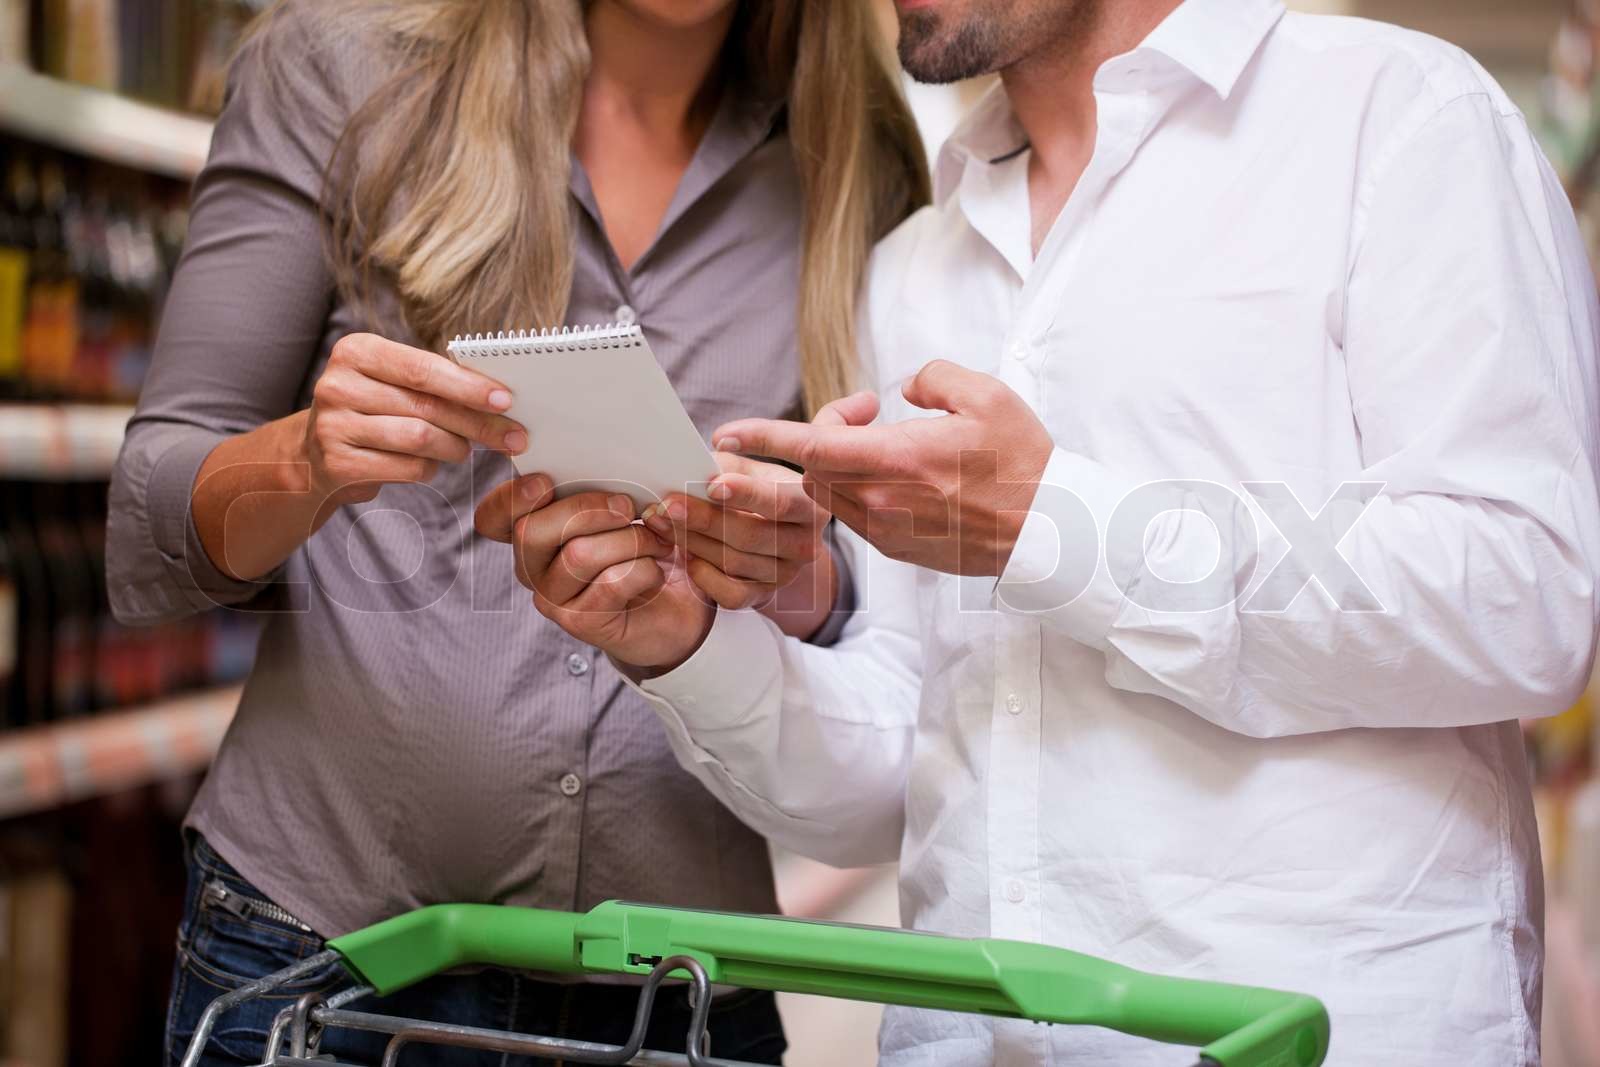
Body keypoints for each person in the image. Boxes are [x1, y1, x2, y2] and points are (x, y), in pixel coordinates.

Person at [475, 0, 1600, 1062]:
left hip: (1317, 1031)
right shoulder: (913, 265)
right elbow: (887, 786)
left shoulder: (1394, 118)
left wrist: (1048, 523)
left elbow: (1527, 600)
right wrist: (684, 643)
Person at [106, 0, 928, 1063]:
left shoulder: (859, 157)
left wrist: (791, 573)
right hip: (327, 964)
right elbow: (147, 531)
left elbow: (878, 621)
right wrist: (304, 459)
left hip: (675, 996)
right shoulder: (345, 70)